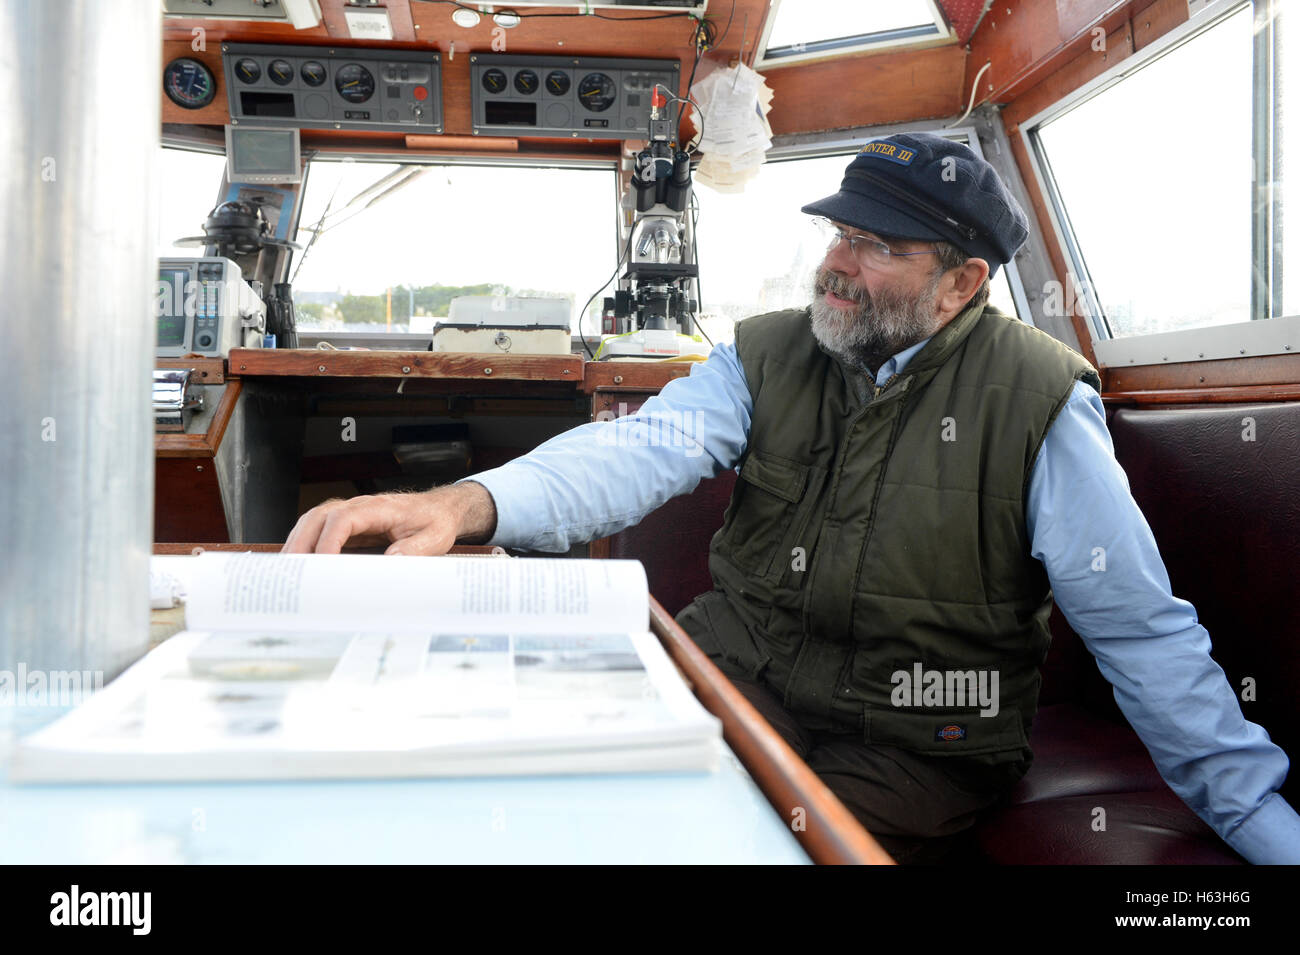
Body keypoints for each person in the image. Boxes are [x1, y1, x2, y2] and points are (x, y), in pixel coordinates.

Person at [283, 132, 1300, 865]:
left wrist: (1263, 824)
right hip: (735, 675)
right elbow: (639, 449)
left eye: (876, 247)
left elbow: (1138, 628)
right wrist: (464, 503)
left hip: (915, 742)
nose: (836, 267)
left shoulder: (1038, 399)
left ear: (959, 284)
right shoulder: (768, 349)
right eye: (838, 233)